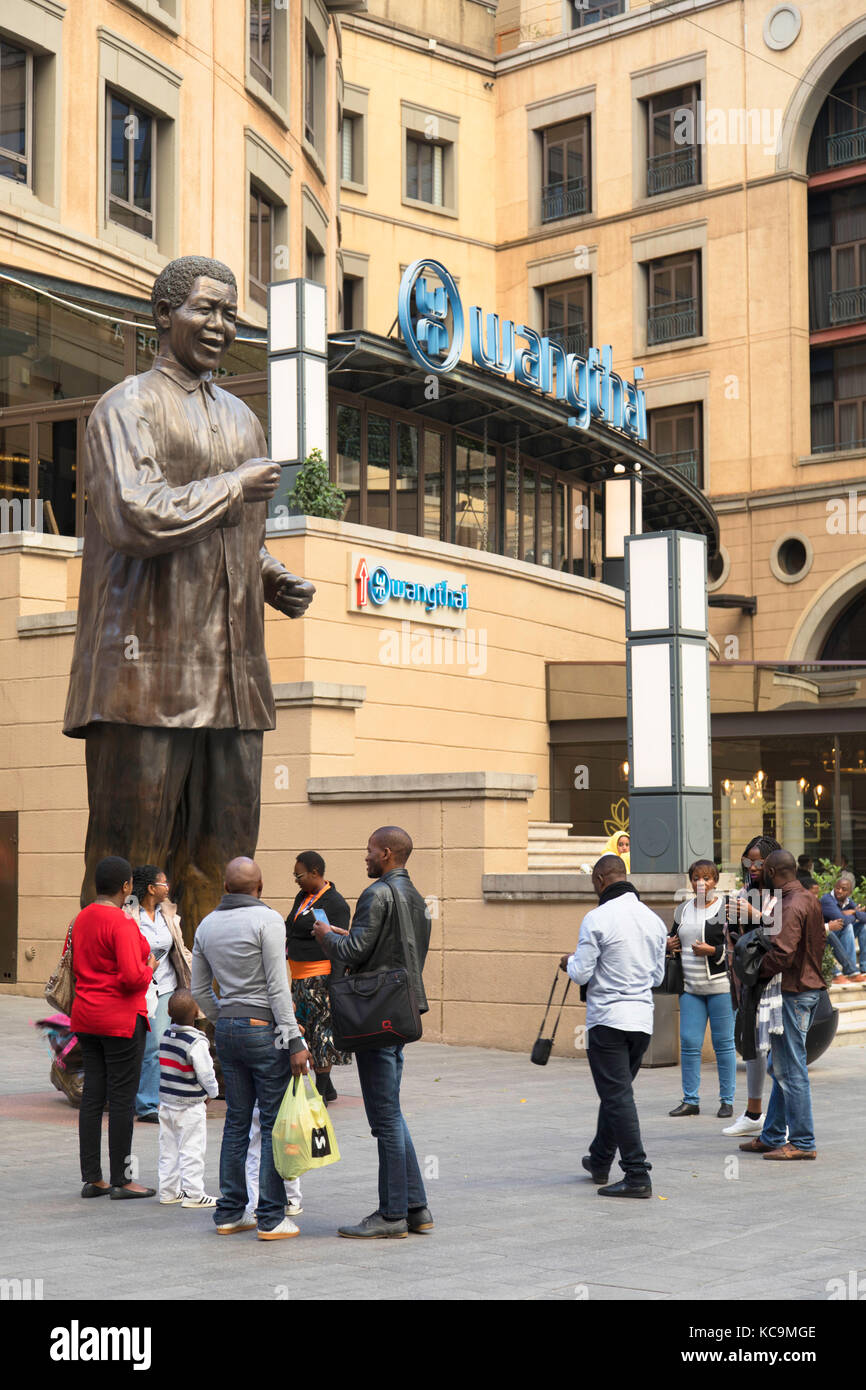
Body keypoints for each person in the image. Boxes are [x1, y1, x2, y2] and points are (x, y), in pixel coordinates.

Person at [63, 255, 315, 929]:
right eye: (205, 308)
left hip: (232, 681)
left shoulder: (242, 420)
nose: (220, 325)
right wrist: (234, 487)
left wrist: (271, 574)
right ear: (163, 315)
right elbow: (135, 515)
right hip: (145, 677)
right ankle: (109, 1010)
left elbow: (238, 536)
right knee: (129, 860)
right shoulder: (127, 406)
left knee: (226, 859)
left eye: (231, 313)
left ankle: (206, 1008)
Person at [312, 826, 432, 1239]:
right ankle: (416, 1209)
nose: (364, 858)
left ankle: (392, 1214)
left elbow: (353, 953)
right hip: (399, 1012)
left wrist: (328, 936)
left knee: (384, 1117)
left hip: (375, 1016)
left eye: (368, 852)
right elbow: (398, 952)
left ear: (385, 853)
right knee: (391, 1113)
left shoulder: (376, 893)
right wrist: (350, 937)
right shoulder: (416, 898)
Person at [191, 856, 310, 1240]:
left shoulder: (207, 925)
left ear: (225, 888)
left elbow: (197, 990)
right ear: (260, 887)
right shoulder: (269, 920)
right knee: (273, 1124)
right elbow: (279, 988)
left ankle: (229, 1213)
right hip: (265, 1029)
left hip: (227, 1030)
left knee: (237, 1121)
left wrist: (224, 1014)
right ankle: (272, 1218)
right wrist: (294, 1039)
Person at [561, 853, 667, 1198]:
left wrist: (568, 962)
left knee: (618, 1096)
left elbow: (582, 972)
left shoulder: (596, 918)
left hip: (607, 1020)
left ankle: (637, 1175)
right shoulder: (653, 921)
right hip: (641, 1022)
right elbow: (658, 976)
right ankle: (600, 1159)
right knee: (616, 1094)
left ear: (600, 879)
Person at [69, 855, 157, 1199]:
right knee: (122, 1100)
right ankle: (123, 1179)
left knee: (93, 1096)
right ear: (126, 887)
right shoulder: (121, 923)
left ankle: (93, 1177)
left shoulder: (82, 918)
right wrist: (149, 966)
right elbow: (132, 977)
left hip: (86, 1016)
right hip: (119, 1019)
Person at [739, 850, 828, 1161]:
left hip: (793, 991)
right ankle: (773, 1134)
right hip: (804, 988)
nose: (757, 871)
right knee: (783, 1067)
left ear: (774, 871)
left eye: (762, 868)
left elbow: (783, 954)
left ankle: (803, 1142)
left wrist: (753, 971)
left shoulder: (790, 904)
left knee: (791, 1070)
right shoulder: (806, 898)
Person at [720, 834, 781, 1138]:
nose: (753, 866)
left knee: (779, 1052)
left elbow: (782, 933)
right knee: (752, 1047)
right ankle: (754, 1113)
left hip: (777, 983)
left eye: (759, 861)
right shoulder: (744, 891)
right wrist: (730, 921)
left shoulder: (781, 894)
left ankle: (781, 1122)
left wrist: (752, 914)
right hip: (748, 981)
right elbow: (733, 936)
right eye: (748, 860)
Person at [667, 860, 736, 1119]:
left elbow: (739, 948)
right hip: (690, 988)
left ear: (715, 881)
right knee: (689, 1042)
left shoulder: (727, 908)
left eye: (707, 878)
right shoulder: (683, 910)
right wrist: (668, 943)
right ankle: (690, 1100)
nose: (701, 883)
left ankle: (727, 1100)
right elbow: (673, 937)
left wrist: (714, 951)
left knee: (723, 1045)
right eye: (697, 878)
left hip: (719, 987)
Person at [286, 851, 352, 1104]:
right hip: (299, 978)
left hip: (321, 979)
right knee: (306, 1031)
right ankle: (329, 1086)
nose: (296, 880)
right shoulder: (303, 897)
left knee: (322, 1033)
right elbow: (293, 926)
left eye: (299, 875)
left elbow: (339, 945)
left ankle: (321, 1091)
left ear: (315, 872)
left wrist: (335, 983)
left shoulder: (335, 903)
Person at [127, 865, 192, 1122]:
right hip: (137, 987)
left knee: (156, 1045)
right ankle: (138, 1098)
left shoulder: (168, 913)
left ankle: (149, 1103)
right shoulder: (129, 914)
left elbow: (179, 946)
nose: (168, 887)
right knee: (139, 1045)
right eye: (163, 883)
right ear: (151, 888)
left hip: (164, 987)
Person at [157, 988, 219, 1208]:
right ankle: (193, 1194)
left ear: (168, 1011)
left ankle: (168, 1191)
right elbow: (206, 1073)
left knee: (168, 1149)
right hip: (190, 1106)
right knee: (192, 1149)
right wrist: (212, 1092)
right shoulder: (197, 1042)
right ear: (196, 1013)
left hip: (166, 1103)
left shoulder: (166, 1036)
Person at [820, 874, 866, 983]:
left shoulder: (848, 901)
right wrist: (856, 914)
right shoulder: (827, 900)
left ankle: (864, 967)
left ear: (849, 893)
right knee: (848, 927)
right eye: (837, 888)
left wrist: (854, 912)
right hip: (828, 936)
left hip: (839, 933)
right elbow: (842, 921)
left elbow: (864, 918)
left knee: (863, 927)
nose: (839, 891)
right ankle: (851, 971)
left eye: (843, 889)